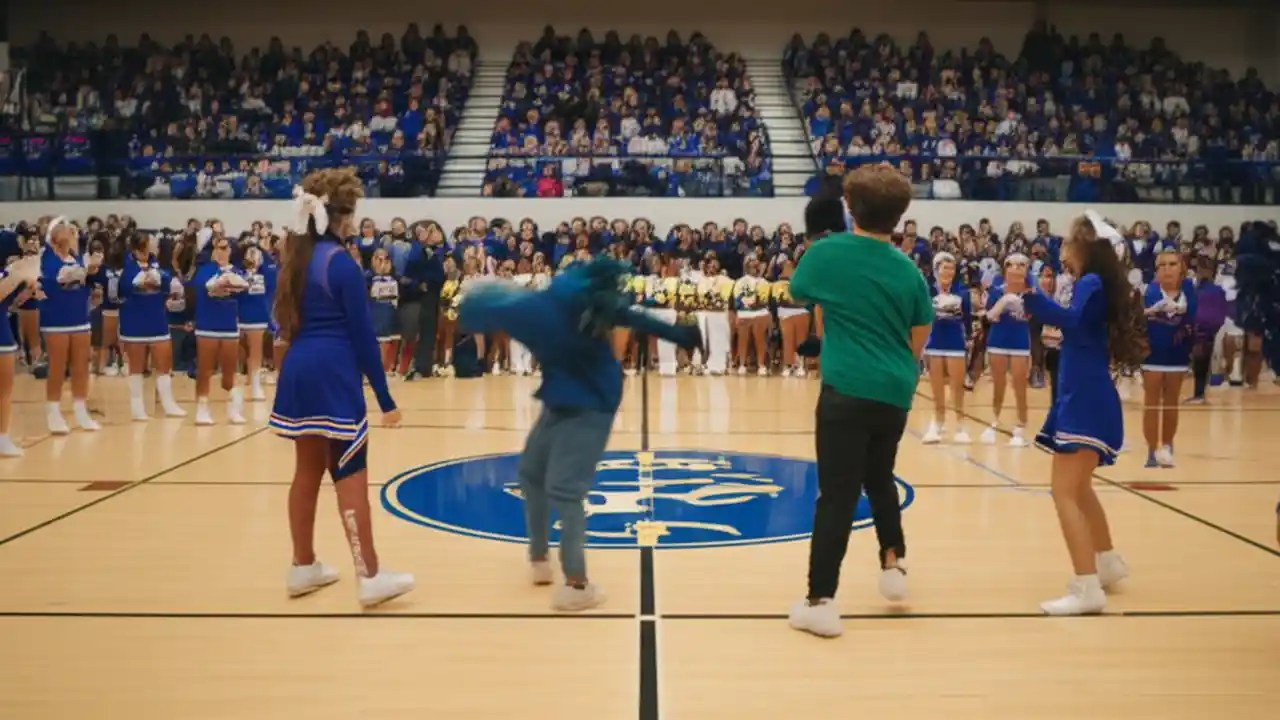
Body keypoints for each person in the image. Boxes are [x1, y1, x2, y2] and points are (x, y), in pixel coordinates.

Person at [457, 258, 701, 612]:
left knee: (564, 489)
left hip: (593, 401)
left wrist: (679, 334)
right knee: (531, 473)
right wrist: (680, 334)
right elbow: (634, 316)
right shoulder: (547, 306)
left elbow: (628, 315)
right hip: (562, 393)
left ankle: (577, 584)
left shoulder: (547, 306)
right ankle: (540, 559)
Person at [785, 166, 933, 639]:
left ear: (850, 207)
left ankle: (821, 600)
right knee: (880, 474)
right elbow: (918, 336)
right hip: (894, 390)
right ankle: (893, 561)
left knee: (838, 496)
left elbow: (798, 291)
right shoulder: (909, 270)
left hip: (846, 387)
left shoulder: (826, 252)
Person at [269, 170, 413, 608]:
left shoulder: (295, 259)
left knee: (307, 468)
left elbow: (282, 322)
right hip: (334, 372)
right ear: (341, 216)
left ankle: (302, 565)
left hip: (298, 369)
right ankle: (369, 574)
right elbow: (365, 340)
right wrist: (386, 400)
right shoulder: (343, 265)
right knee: (350, 470)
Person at [1019, 210, 1148, 616]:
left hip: (1086, 397)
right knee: (1081, 488)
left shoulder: (1090, 282)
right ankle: (1106, 562)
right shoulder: (1090, 283)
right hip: (1084, 392)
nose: (1062, 245)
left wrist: (1032, 297)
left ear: (1086, 246)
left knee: (1063, 492)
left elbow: (1072, 324)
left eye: (1069, 239)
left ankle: (1085, 586)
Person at [119, 230, 186, 421]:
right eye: (151, 242)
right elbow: (123, 287)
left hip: (157, 319)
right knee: (137, 366)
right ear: (141, 245)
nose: (155, 245)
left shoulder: (156, 263)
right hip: (134, 321)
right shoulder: (126, 264)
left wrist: (160, 279)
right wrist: (140, 280)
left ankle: (168, 403)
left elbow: (166, 283)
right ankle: (137, 406)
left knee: (164, 363)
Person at [41, 219, 100, 434]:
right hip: (56, 319)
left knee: (81, 365)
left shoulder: (76, 256)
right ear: (54, 234)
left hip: (80, 318)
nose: (72, 231)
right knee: (57, 366)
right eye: (66, 228)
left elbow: (84, 282)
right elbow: (56, 278)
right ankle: (53, 412)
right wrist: (84, 270)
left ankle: (80, 409)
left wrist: (92, 274)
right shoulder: (46, 257)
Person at [1141, 249, 1197, 467]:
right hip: (1152, 353)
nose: (1167, 269)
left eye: (1172, 264)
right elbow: (1135, 317)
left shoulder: (1189, 290)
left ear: (1181, 268)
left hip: (1178, 353)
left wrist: (1183, 311)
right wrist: (1150, 311)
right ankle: (1152, 450)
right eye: (1162, 265)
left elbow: (1195, 315)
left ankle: (1167, 445)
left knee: (1172, 402)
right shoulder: (1148, 291)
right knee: (1151, 402)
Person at [191, 230, 248, 426]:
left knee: (230, 372)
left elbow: (243, 290)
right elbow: (202, 287)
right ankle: (202, 407)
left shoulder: (237, 271)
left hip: (229, 326)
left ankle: (234, 408)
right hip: (207, 325)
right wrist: (219, 281)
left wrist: (232, 282)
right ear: (212, 251)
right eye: (220, 248)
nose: (224, 252)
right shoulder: (205, 269)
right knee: (205, 369)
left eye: (226, 248)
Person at [981, 253, 1032, 447]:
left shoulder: (1031, 293)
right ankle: (995, 419)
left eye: (1021, 266)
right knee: (999, 383)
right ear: (1005, 269)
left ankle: (1022, 423)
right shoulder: (996, 290)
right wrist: (1002, 304)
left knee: (1019, 384)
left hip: (1020, 342)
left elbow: (1030, 316)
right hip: (998, 340)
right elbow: (989, 317)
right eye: (1013, 266)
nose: (1017, 269)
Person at [922, 252, 972, 444]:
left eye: (952, 268)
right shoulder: (928, 291)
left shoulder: (962, 293)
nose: (949, 271)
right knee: (936, 387)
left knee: (957, 386)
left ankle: (960, 424)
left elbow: (967, 319)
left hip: (955, 343)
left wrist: (968, 337)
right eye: (945, 267)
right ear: (936, 269)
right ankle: (937, 422)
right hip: (934, 342)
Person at [0, 255, 41, 456]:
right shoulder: (9, 275)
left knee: (4, 391)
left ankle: (2, 438)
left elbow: (11, 305)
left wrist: (27, 288)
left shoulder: (4, 274)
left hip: (3, 337)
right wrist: (16, 276)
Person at [1187, 257, 1227, 404]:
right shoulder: (1193, 289)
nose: (1202, 272)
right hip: (1193, 331)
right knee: (1198, 363)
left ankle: (1199, 394)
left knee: (1202, 362)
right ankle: (1198, 393)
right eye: (1200, 269)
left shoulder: (1216, 291)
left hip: (1205, 332)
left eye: (1206, 269)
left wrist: (1207, 330)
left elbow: (1219, 314)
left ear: (1212, 272)